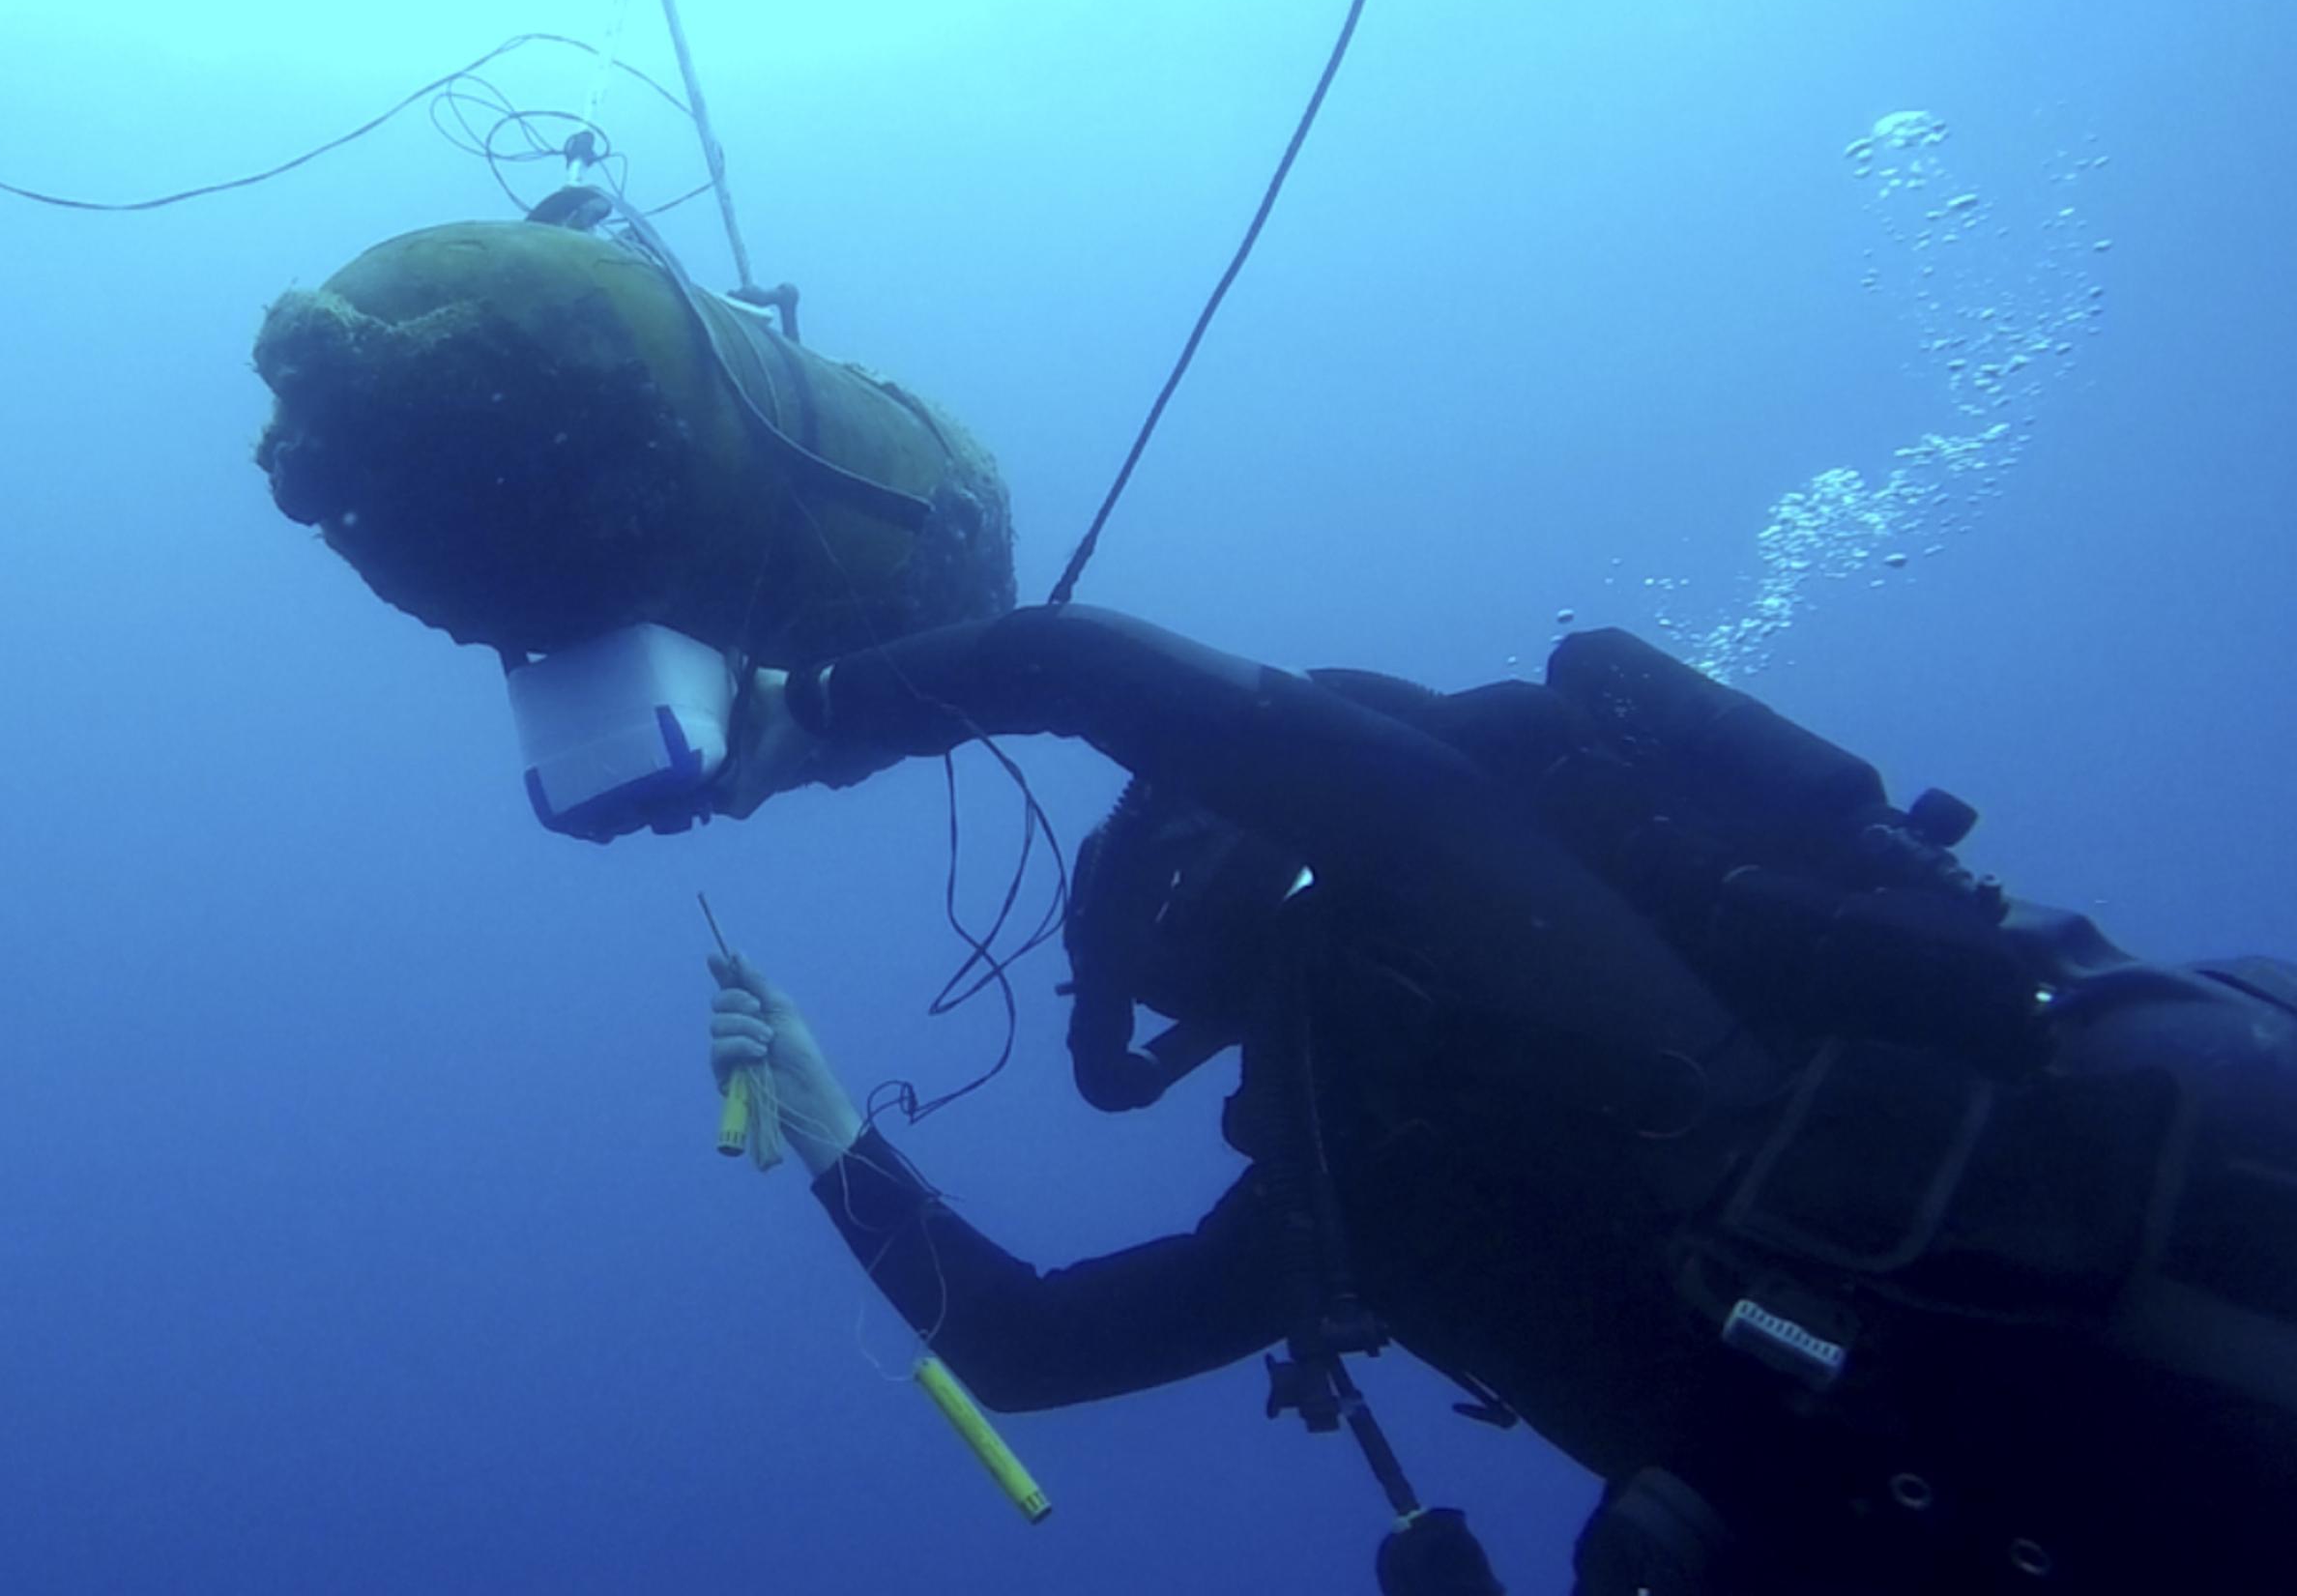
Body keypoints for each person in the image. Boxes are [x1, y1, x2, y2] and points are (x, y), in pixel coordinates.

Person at [691, 602, 2297, 1596]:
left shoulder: (1481, 909)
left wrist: (816, 712)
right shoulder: (1367, 1160)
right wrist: (826, 1117)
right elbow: (1029, 1352)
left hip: (2121, 1413)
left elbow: (1077, 668)